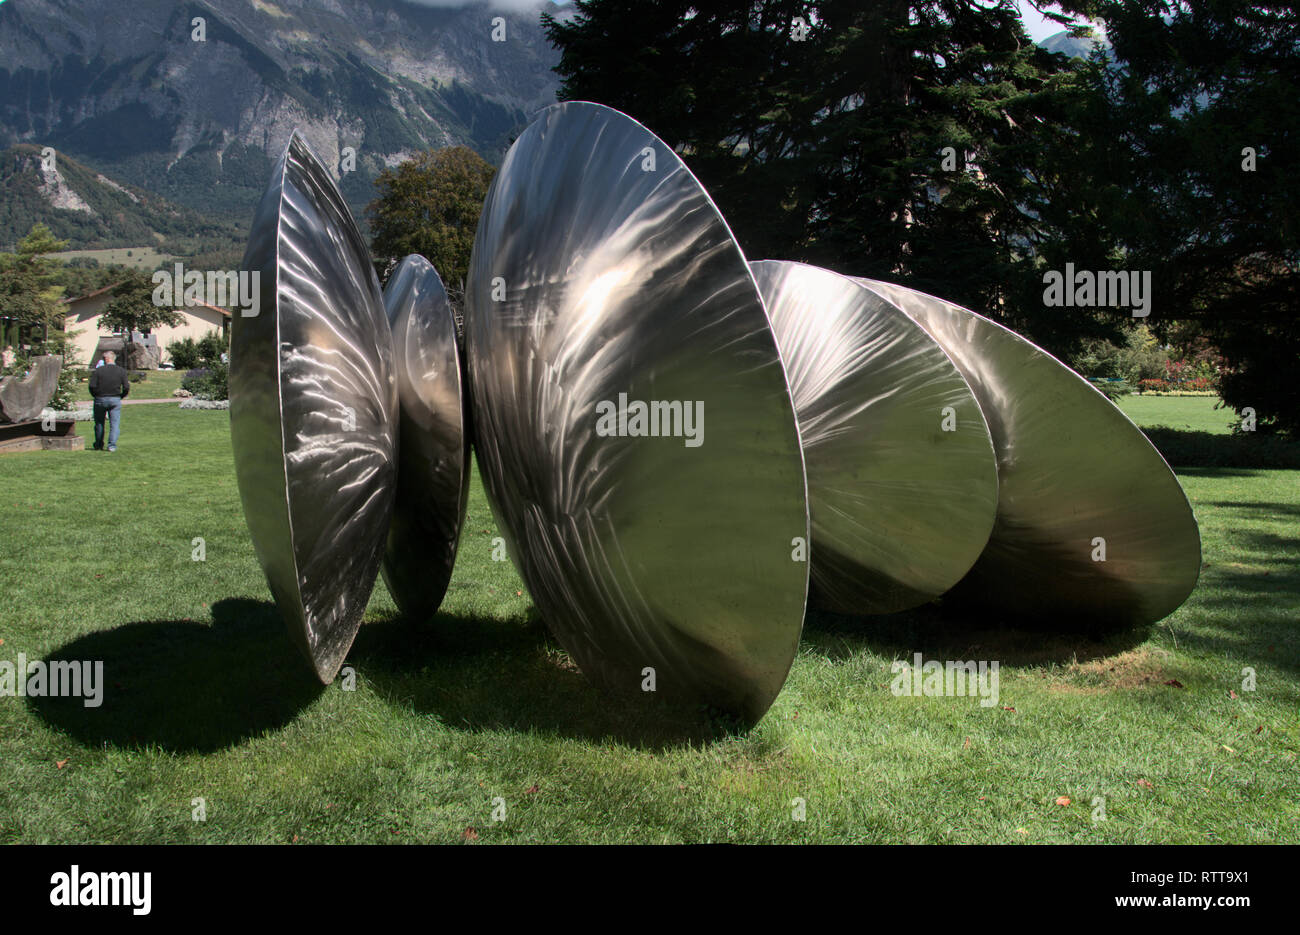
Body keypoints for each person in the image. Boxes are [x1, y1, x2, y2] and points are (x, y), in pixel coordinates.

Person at [89, 350, 130, 451]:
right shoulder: (121, 371)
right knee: (114, 424)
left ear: (107, 359)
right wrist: (121, 396)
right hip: (115, 399)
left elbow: (92, 386)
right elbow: (126, 387)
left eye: (103, 358)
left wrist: (96, 395)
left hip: (100, 398)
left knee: (99, 423)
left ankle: (98, 444)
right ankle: (111, 445)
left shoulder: (98, 371)